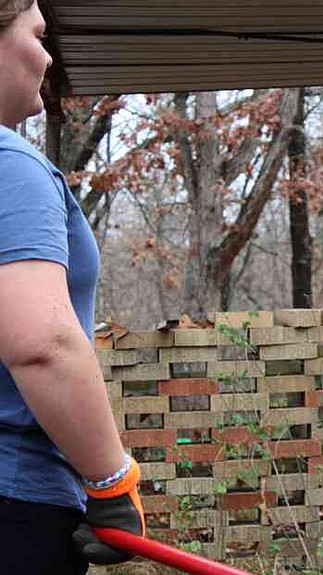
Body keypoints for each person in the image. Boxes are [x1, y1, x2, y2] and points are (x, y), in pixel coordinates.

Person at [0, 2, 144, 573]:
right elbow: (43, 346)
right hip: (13, 503)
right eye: (37, 35)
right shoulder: (9, 165)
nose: (48, 55)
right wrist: (112, 481)